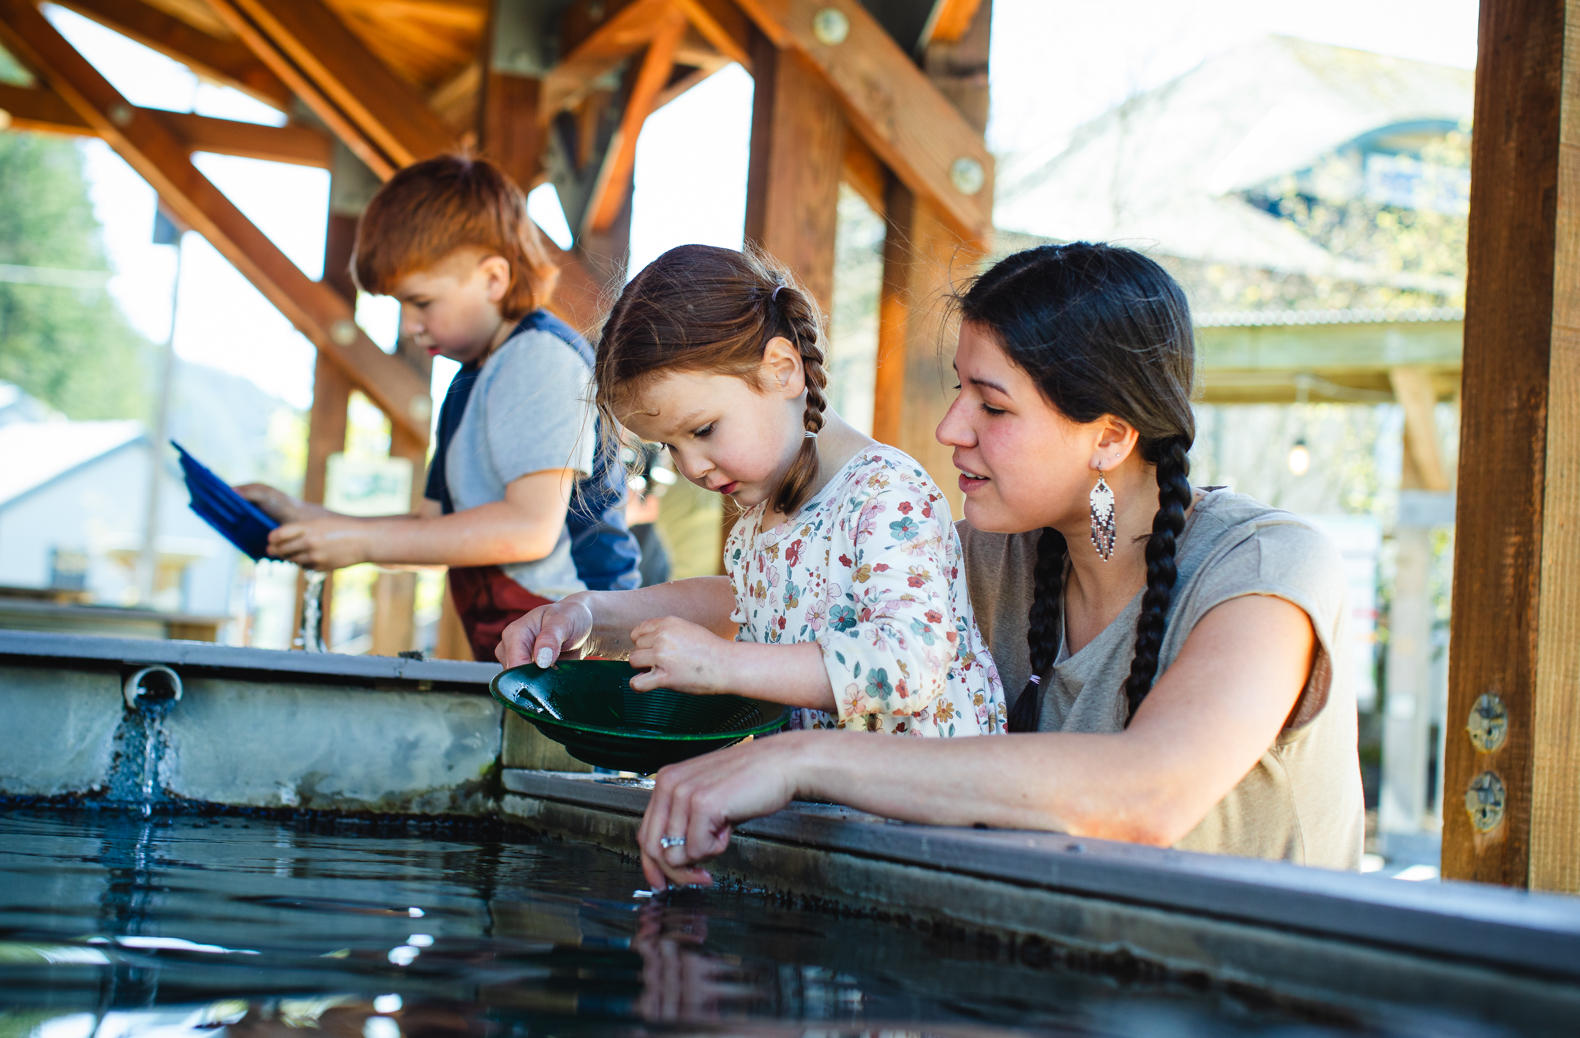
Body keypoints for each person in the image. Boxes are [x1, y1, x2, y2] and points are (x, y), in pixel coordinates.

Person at [506, 242, 1363, 887]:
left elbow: (1148, 794)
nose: (951, 429)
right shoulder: (998, 555)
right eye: (960, 390)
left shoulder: (1267, 568)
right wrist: (598, 616)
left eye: (991, 404)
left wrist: (800, 760)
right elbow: (786, 594)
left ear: (1110, 433)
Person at [497, 244, 1006, 737]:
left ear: (782, 371)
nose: (691, 466)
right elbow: (745, 603)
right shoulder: (760, 524)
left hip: (919, 811)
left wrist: (724, 665)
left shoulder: (885, 493)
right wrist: (588, 615)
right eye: (669, 448)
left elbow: (907, 662)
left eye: (702, 430)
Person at [239, 156, 640, 660]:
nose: (409, 325)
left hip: (583, 647)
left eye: (422, 302)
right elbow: (433, 527)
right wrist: (313, 521)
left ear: (494, 278)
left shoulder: (538, 358)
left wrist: (360, 543)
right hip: (529, 646)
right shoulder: (469, 378)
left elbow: (527, 529)